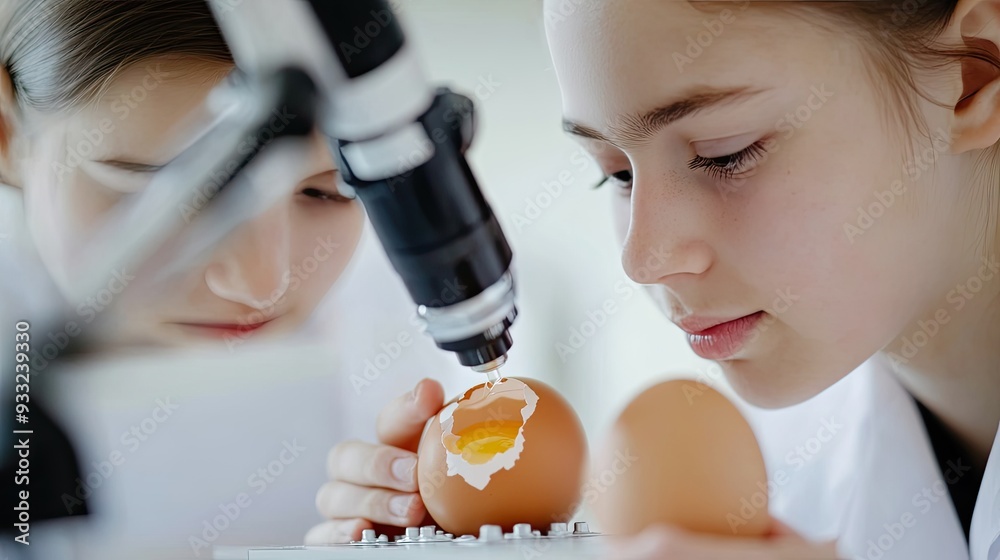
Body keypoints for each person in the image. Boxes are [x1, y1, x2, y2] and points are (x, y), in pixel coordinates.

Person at [310, 1, 1000, 558]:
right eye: (615, 173)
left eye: (723, 155)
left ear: (973, 75)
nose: (644, 259)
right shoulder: (768, 483)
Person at [0, 0, 365, 351]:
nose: (259, 288)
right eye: (165, 194)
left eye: (327, 191)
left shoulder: (395, 348)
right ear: (7, 135)